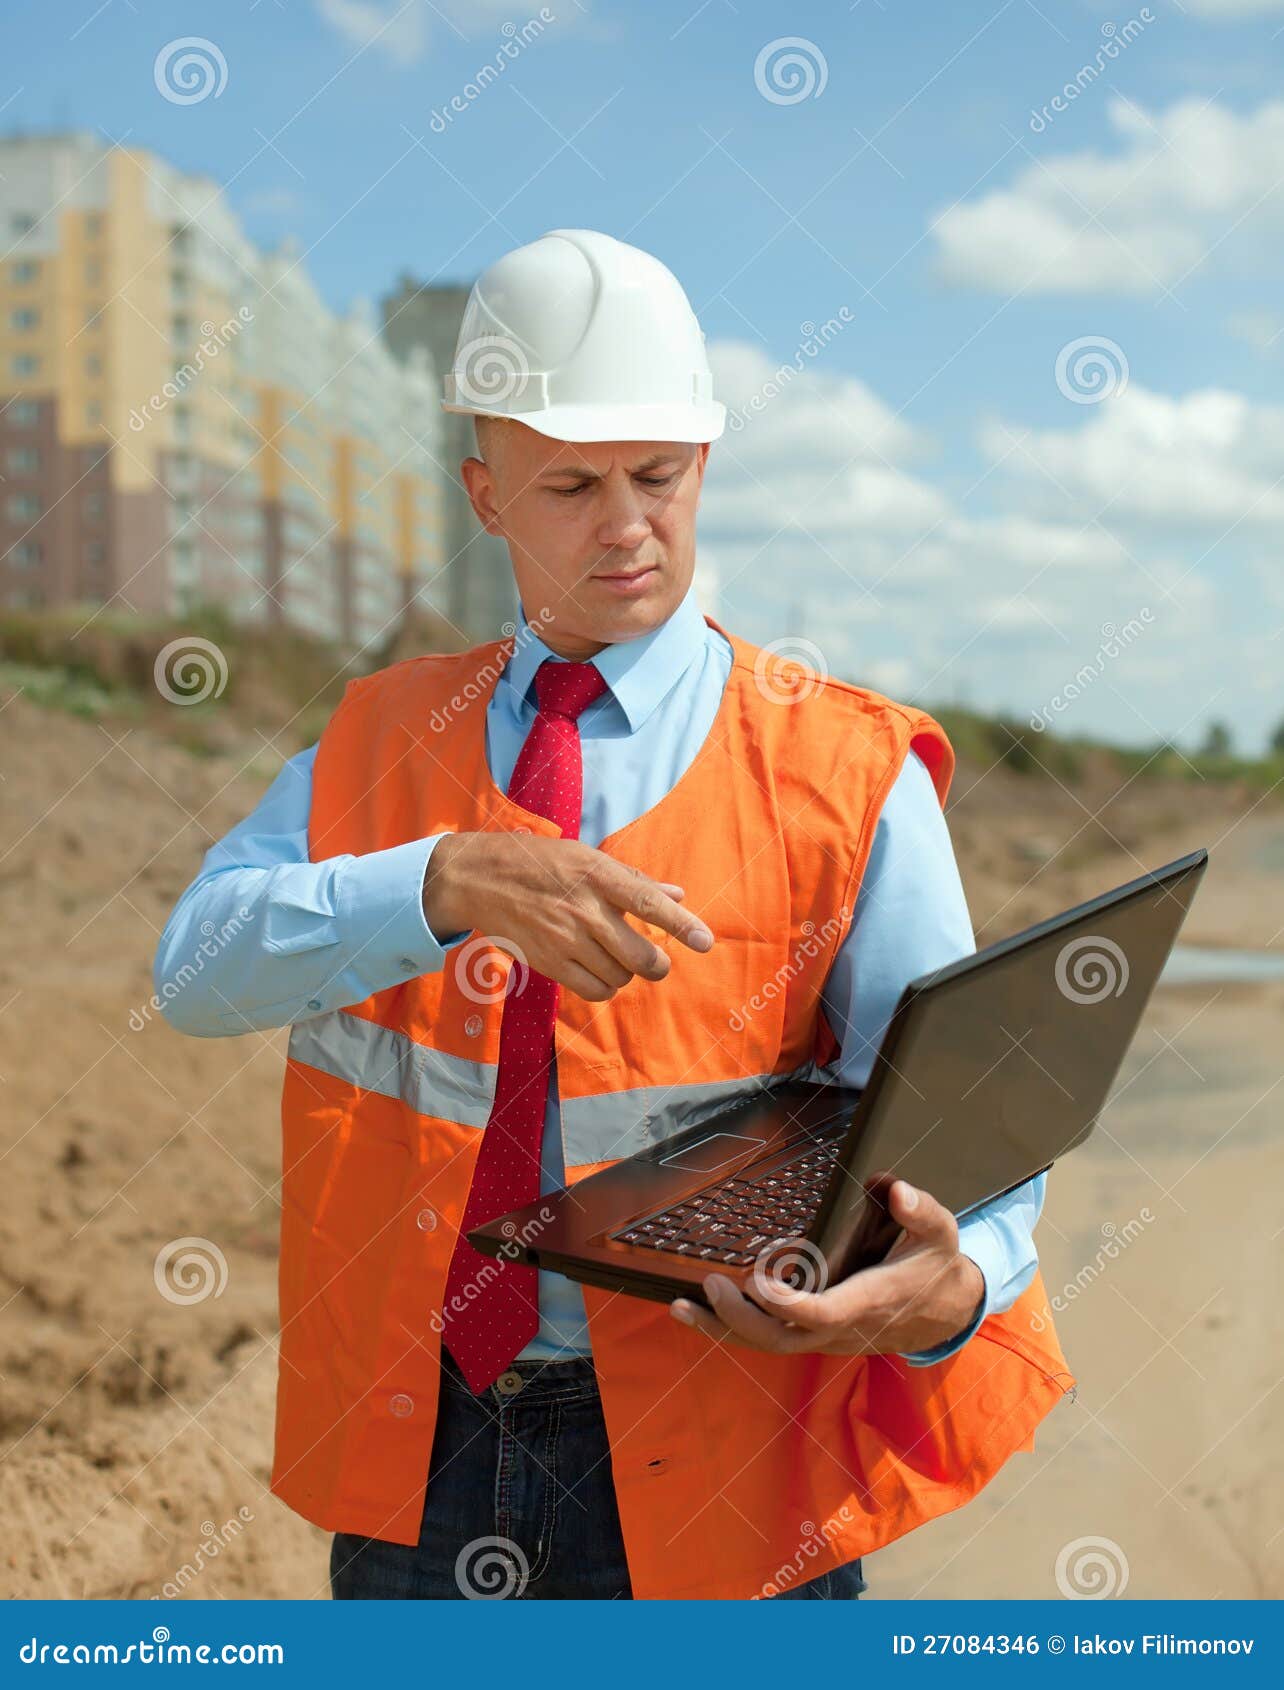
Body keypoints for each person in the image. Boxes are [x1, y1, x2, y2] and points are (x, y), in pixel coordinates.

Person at [155, 229, 1070, 1602]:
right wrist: (435, 880)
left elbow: (967, 1122)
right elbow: (193, 972)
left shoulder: (846, 768)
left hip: (723, 1453)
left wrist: (960, 1283)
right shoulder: (381, 741)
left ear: (705, 462)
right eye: (573, 485)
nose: (629, 523)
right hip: (427, 1448)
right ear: (486, 495)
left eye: (660, 474)